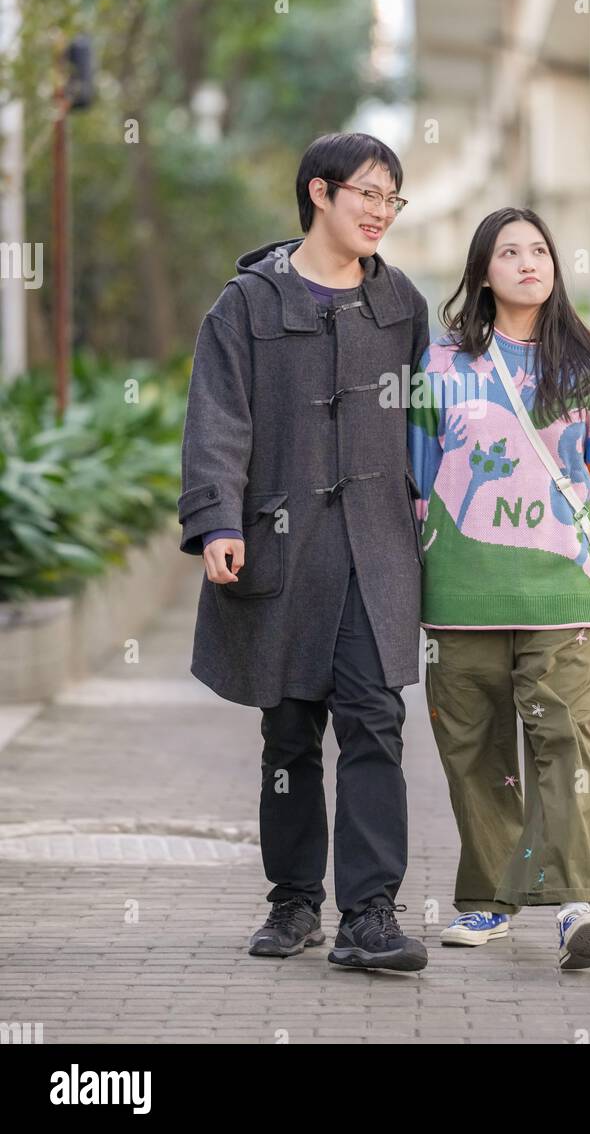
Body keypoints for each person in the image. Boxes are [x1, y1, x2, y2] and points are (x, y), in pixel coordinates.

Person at [177, 131, 430, 972]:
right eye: (368, 193)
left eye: (392, 198)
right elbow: (218, 417)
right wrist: (218, 522)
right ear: (319, 193)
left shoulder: (402, 308)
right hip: (281, 549)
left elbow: (430, 420)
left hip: (377, 548)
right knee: (288, 734)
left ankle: (371, 913)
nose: (380, 211)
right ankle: (293, 904)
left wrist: (432, 491)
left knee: (376, 722)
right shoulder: (246, 303)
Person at [408, 207, 590, 970]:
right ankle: (487, 903)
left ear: (557, 267)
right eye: (509, 251)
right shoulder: (438, 368)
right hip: (461, 600)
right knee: (474, 751)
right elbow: (415, 489)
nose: (529, 262)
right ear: (482, 271)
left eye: (541, 250)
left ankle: (576, 902)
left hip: (565, 598)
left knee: (565, 745)